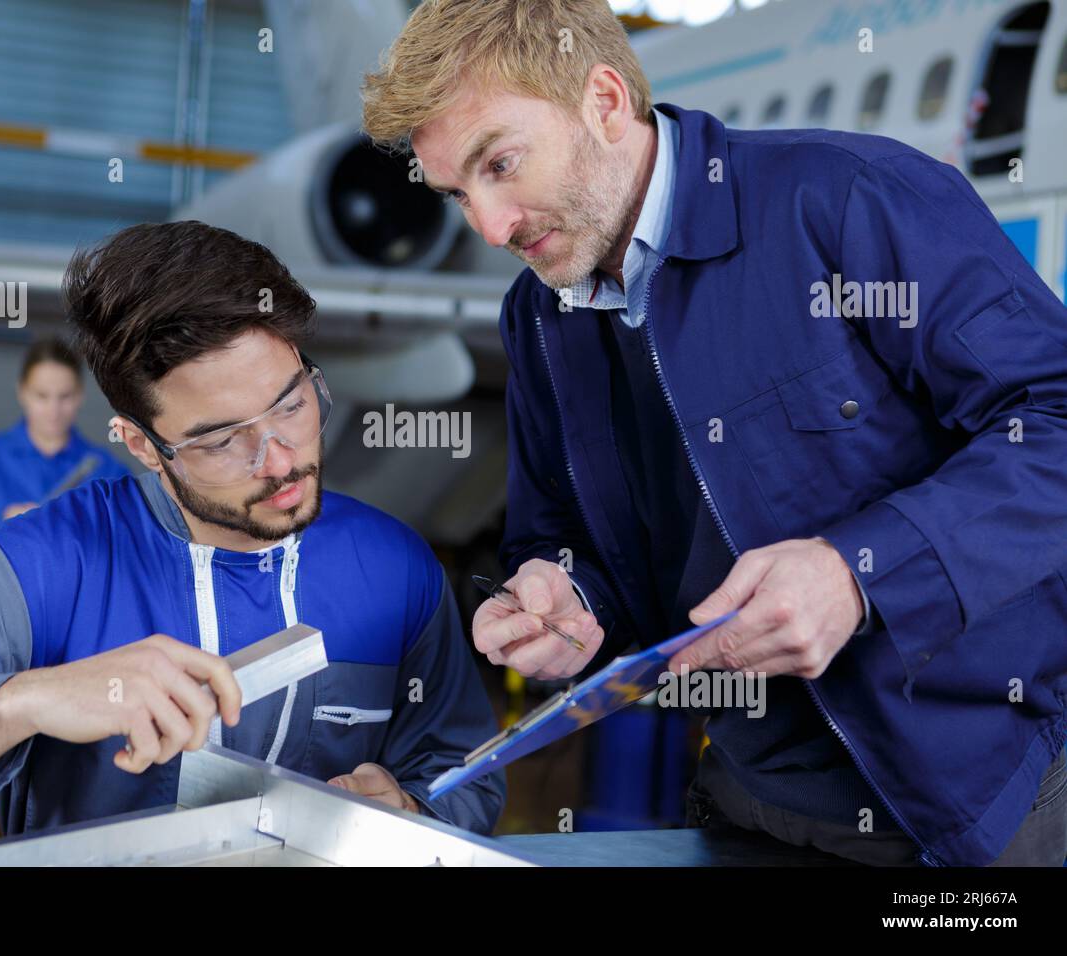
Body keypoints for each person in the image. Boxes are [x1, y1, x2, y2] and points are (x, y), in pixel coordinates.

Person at [360, 0, 1067, 866]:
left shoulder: (845, 199)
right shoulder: (540, 316)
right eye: (458, 194)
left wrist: (859, 573)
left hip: (993, 793)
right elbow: (570, 536)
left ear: (606, 100)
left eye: (501, 164)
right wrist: (567, 602)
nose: (492, 226)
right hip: (754, 796)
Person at [0, 222, 504, 865]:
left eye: (292, 403)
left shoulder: (395, 568)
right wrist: (17, 704)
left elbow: (460, 766)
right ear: (140, 445)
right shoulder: (28, 573)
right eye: (220, 440)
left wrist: (412, 809)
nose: (278, 460)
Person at [0, 337, 129, 560]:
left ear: (80, 395)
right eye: (42, 396)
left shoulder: (108, 471)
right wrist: (3, 522)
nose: (54, 410)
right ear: (22, 392)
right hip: (0, 593)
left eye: (65, 396)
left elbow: (129, 545)